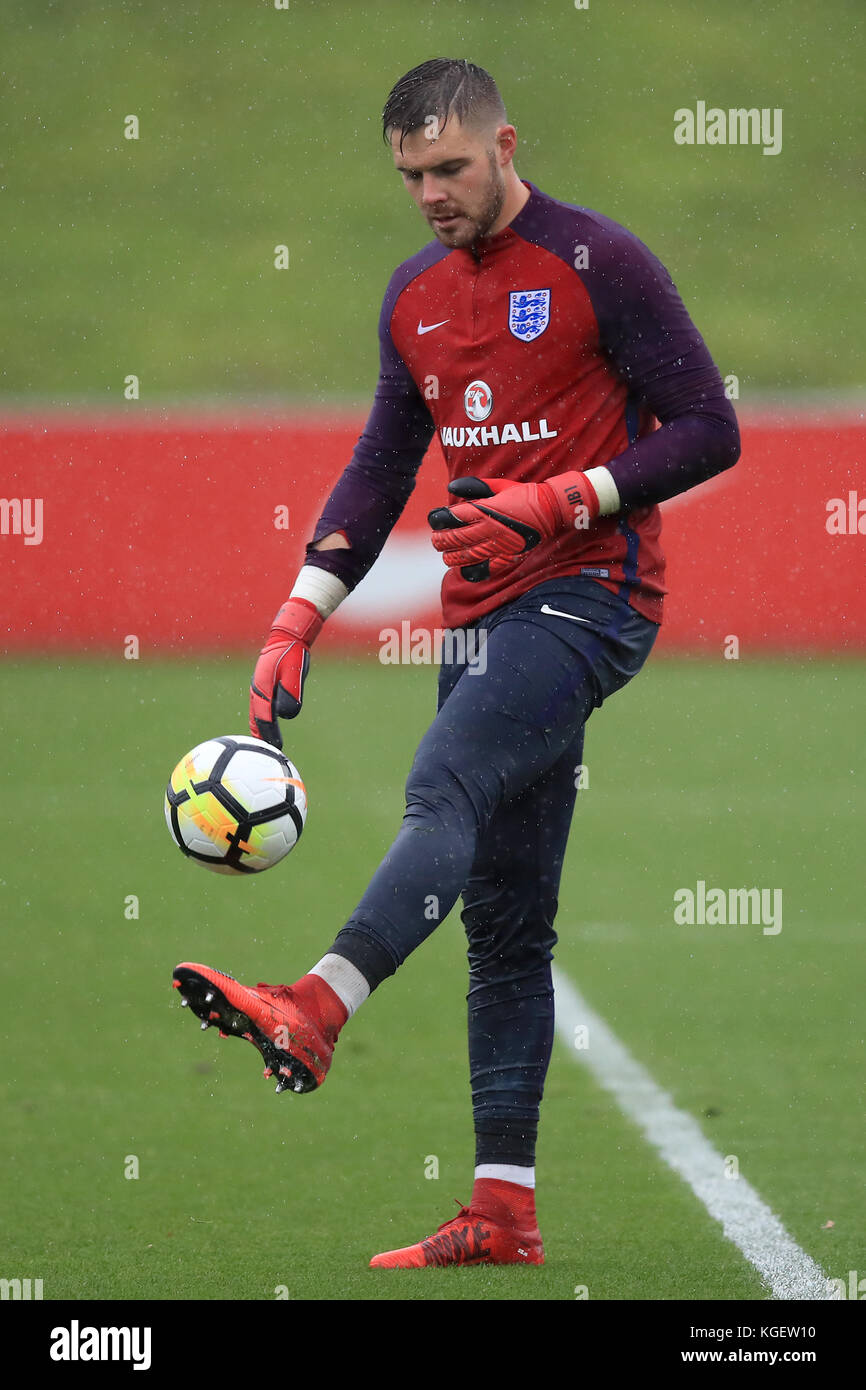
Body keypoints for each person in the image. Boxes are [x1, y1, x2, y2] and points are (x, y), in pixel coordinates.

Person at [173, 57, 740, 1269]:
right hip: (479, 617)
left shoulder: (600, 264)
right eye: (409, 175)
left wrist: (563, 496)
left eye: (448, 167)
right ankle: (502, 1210)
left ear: (502, 146)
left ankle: (314, 1006)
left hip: (591, 597)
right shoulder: (413, 297)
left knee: (442, 788)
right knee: (505, 927)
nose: (429, 192)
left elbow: (708, 427)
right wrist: (296, 614)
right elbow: (381, 469)